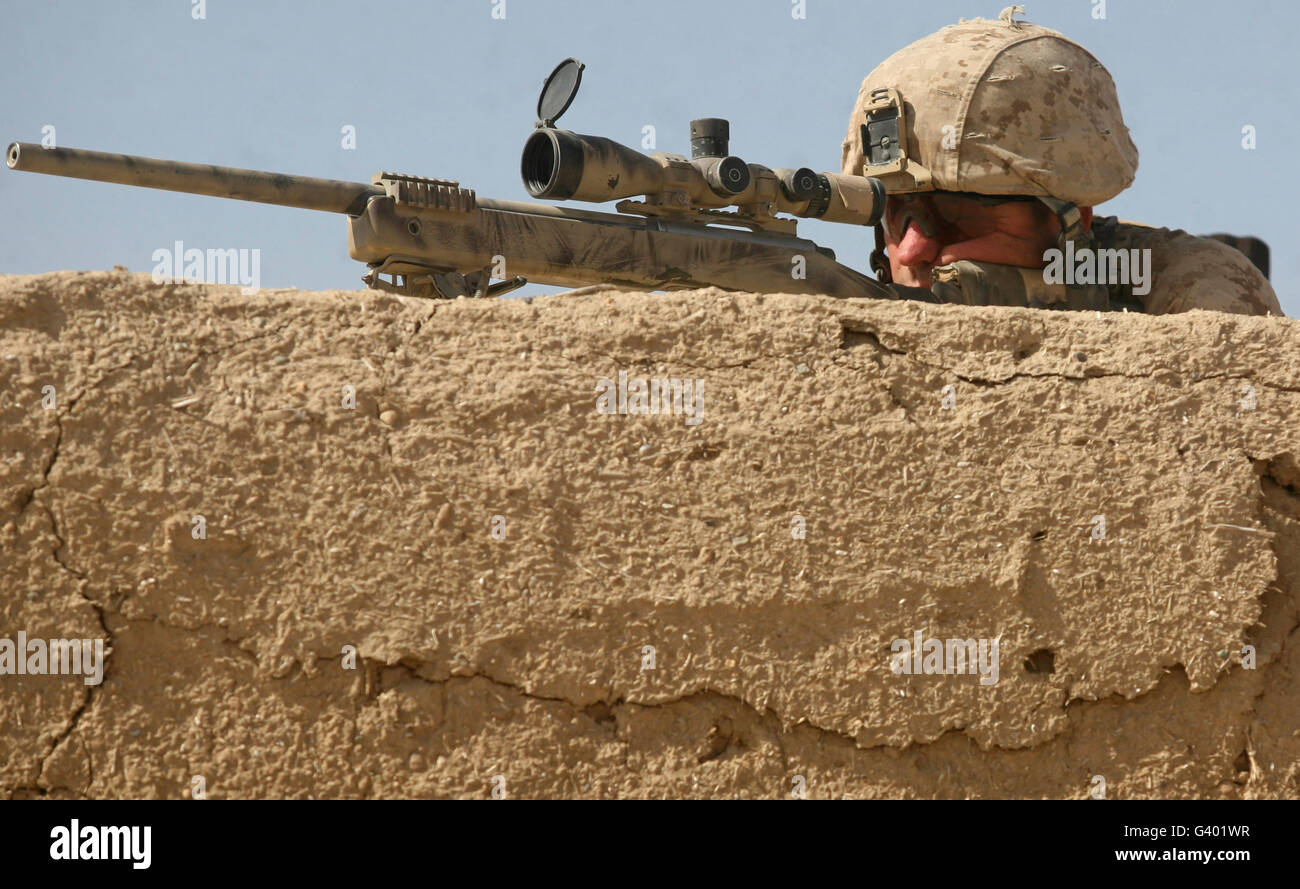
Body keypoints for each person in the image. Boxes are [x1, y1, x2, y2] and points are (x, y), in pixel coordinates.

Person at [840, 7, 1283, 315]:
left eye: (954, 218)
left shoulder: (1189, 287)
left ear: (1074, 220)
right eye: (896, 214)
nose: (912, 250)